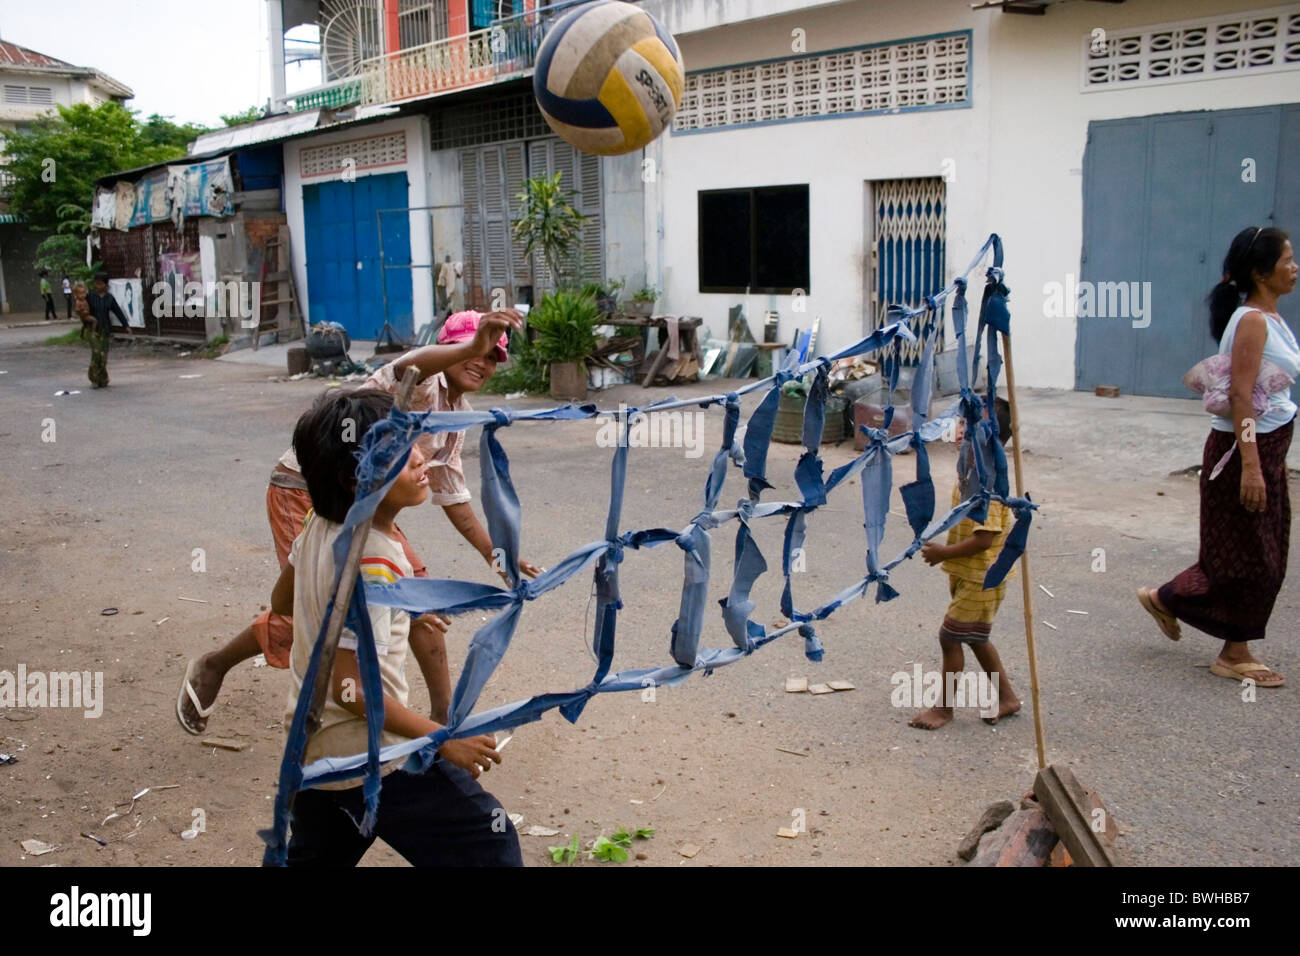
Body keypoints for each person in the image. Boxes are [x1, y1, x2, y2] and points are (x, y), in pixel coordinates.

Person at [177, 309, 532, 734]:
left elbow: (451, 492)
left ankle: (444, 722)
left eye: (493, 357)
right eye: (472, 349)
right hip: (306, 488)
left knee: (420, 600)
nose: (482, 362)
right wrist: (472, 345)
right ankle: (215, 664)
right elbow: (410, 367)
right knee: (315, 604)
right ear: (446, 346)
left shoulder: (456, 416)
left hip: (368, 501)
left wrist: (497, 554)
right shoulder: (417, 384)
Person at [276, 386, 521, 866]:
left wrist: (394, 607)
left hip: (312, 751)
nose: (420, 456)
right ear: (354, 480)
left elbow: (282, 599)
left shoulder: (318, 524)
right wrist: (439, 737)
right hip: (373, 756)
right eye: (399, 450)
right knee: (489, 844)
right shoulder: (373, 557)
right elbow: (350, 688)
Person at [1139, 226, 1298, 688]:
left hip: (1266, 450)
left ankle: (1169, 602)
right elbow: (1241, 397)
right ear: (1261, 272)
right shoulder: (1252, 320)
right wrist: (1250, 465)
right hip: (1243, 452)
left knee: (1260, 552)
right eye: (1287, 259)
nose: (1295, 266)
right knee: (1252, 559)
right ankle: (1230, 651)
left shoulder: (1272, 317)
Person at [910, 398, 1022, 731]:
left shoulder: (988, 483)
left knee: (950, 637)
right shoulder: (970, 471)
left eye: (969, 425)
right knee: (975, 637)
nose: (960, 430)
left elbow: (985, 540)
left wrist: (944, 553)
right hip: (969, 574)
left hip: (984, 577)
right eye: (961, 423)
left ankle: (943, 710)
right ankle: (1008, 699)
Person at [83, 272, 133, 388]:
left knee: (103, 355)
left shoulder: (109, 298)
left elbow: (118, 312)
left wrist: (126, 326)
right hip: (92, 329)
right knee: (97, 353)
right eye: (96, 284)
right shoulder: (89, 296)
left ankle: (103, 378)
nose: (98, 286)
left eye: (100, 284)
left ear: (105, 285)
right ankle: (94, 379)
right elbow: (82, 310)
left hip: (104, 329)